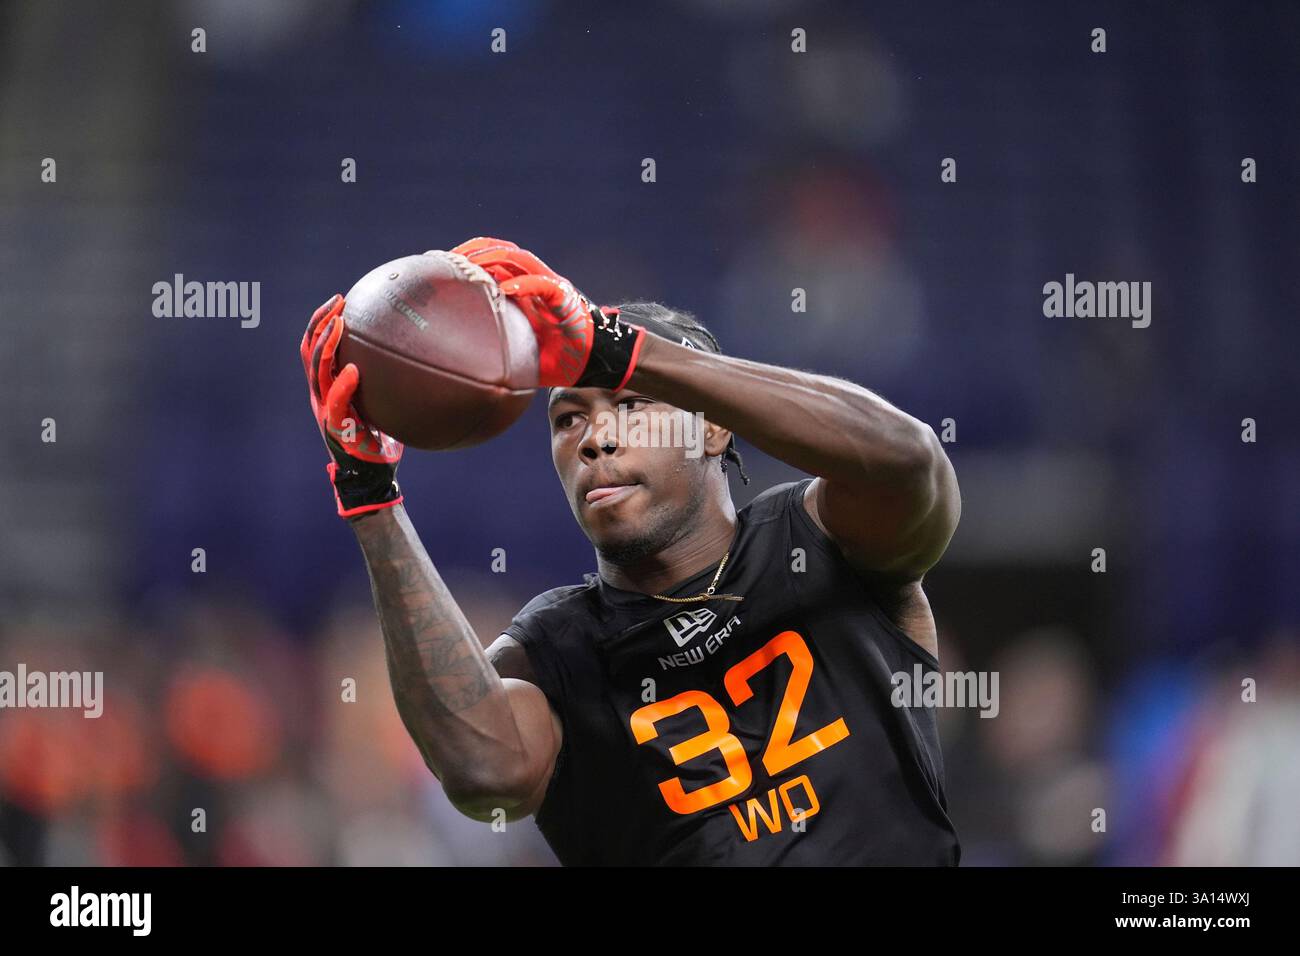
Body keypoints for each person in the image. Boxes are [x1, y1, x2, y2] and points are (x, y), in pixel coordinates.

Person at [300, 238, 962, 865]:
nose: (595, 439)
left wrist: (613, 347)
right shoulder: (556, 648)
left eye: (633, 404)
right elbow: (483, 776)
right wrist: (369, 493)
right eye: (569, 419)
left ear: (711, 428)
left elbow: (910, 464)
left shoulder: (820, 539)